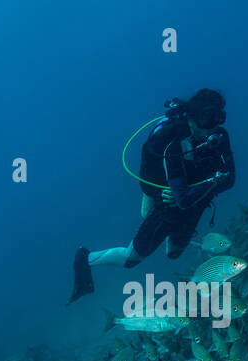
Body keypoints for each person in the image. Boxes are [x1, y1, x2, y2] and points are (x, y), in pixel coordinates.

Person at [68, 88, 236, 304]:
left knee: (174, 253)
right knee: (131, 260)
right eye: (207, 118)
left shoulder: (219, 136)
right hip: (166, 205)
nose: (213, 125)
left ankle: (165, 224)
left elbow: (230, 180)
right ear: (193, 118)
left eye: (218, 117)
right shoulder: (172, 143)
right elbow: (185, 198)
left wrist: (201, 189)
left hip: (194, 203)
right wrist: (210, 183)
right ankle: (84, 259)